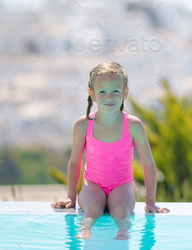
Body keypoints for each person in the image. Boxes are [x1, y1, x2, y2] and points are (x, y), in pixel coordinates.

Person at [51, 61, 169, 240]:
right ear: (92, 94)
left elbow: (148, 163)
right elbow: (75, 161)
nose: (109, 97)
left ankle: (123, 232)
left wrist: (150, 202)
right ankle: (86, 230)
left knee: (120, 209)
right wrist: (71, 198)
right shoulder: (83, 126)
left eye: (115, 91)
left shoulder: (134, 126)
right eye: (102, 92)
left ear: (125, 92)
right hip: (93, 184)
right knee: (92, 209)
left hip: (122, 185)